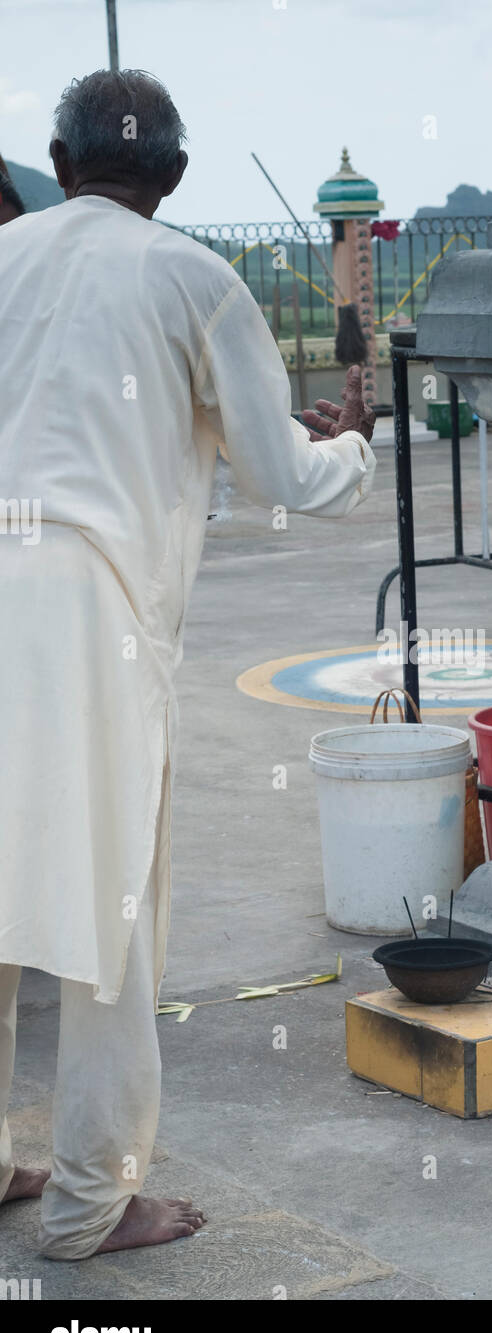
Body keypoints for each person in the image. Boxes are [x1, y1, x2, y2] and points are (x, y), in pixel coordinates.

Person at [0, 69, 376, 1260]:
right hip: (87, 617)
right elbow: (286, 477)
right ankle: (85, 1204)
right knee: (111, 921)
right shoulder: (195, 277)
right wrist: (353, 441)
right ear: (170, 177)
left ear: (58, 165)